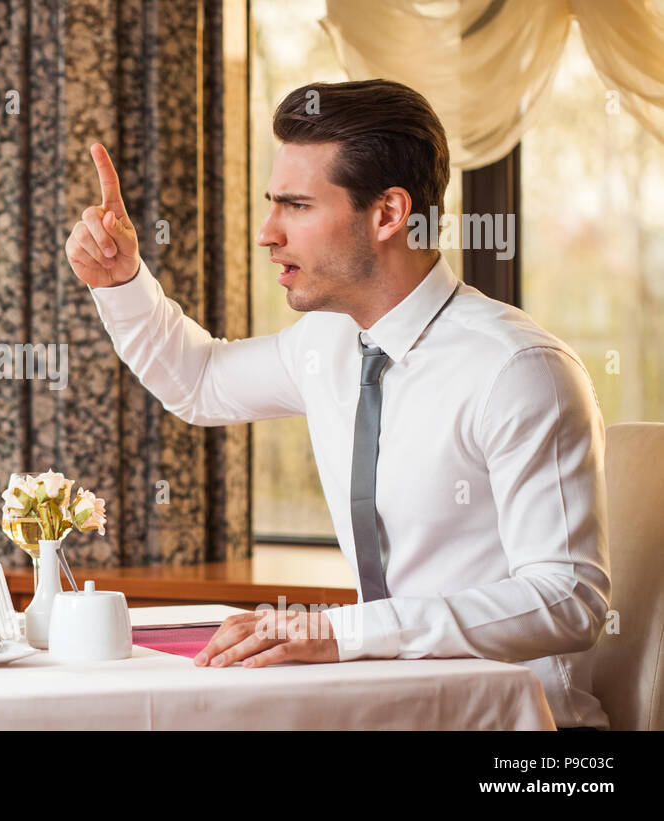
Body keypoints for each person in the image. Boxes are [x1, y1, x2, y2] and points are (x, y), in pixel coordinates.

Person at [66, 80, 611, 730]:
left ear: (387, 214)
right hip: (386, 709)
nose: (267, 233)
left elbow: (570, 598)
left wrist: (342, 631)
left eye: (295, 205)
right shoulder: (327, 342)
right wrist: (122, 281)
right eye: (272, 204)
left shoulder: (518, 370)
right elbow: (201, 382)